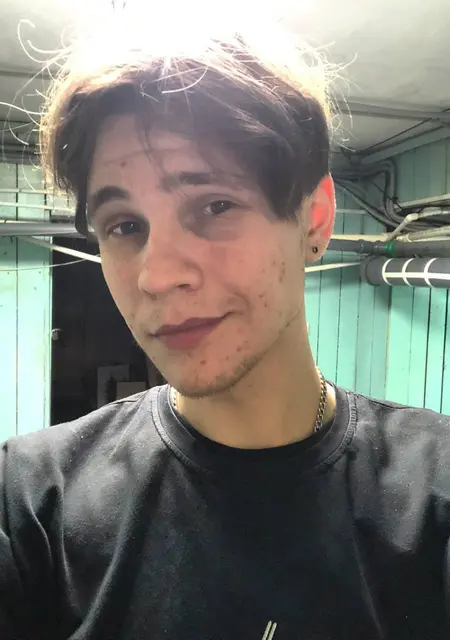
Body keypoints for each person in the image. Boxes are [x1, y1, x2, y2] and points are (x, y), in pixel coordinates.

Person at [1, 18, 449, 640]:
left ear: (315, 220)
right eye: (125, 225)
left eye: (215, 206)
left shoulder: (436, 493)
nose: (158, 276)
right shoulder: (30, 505)